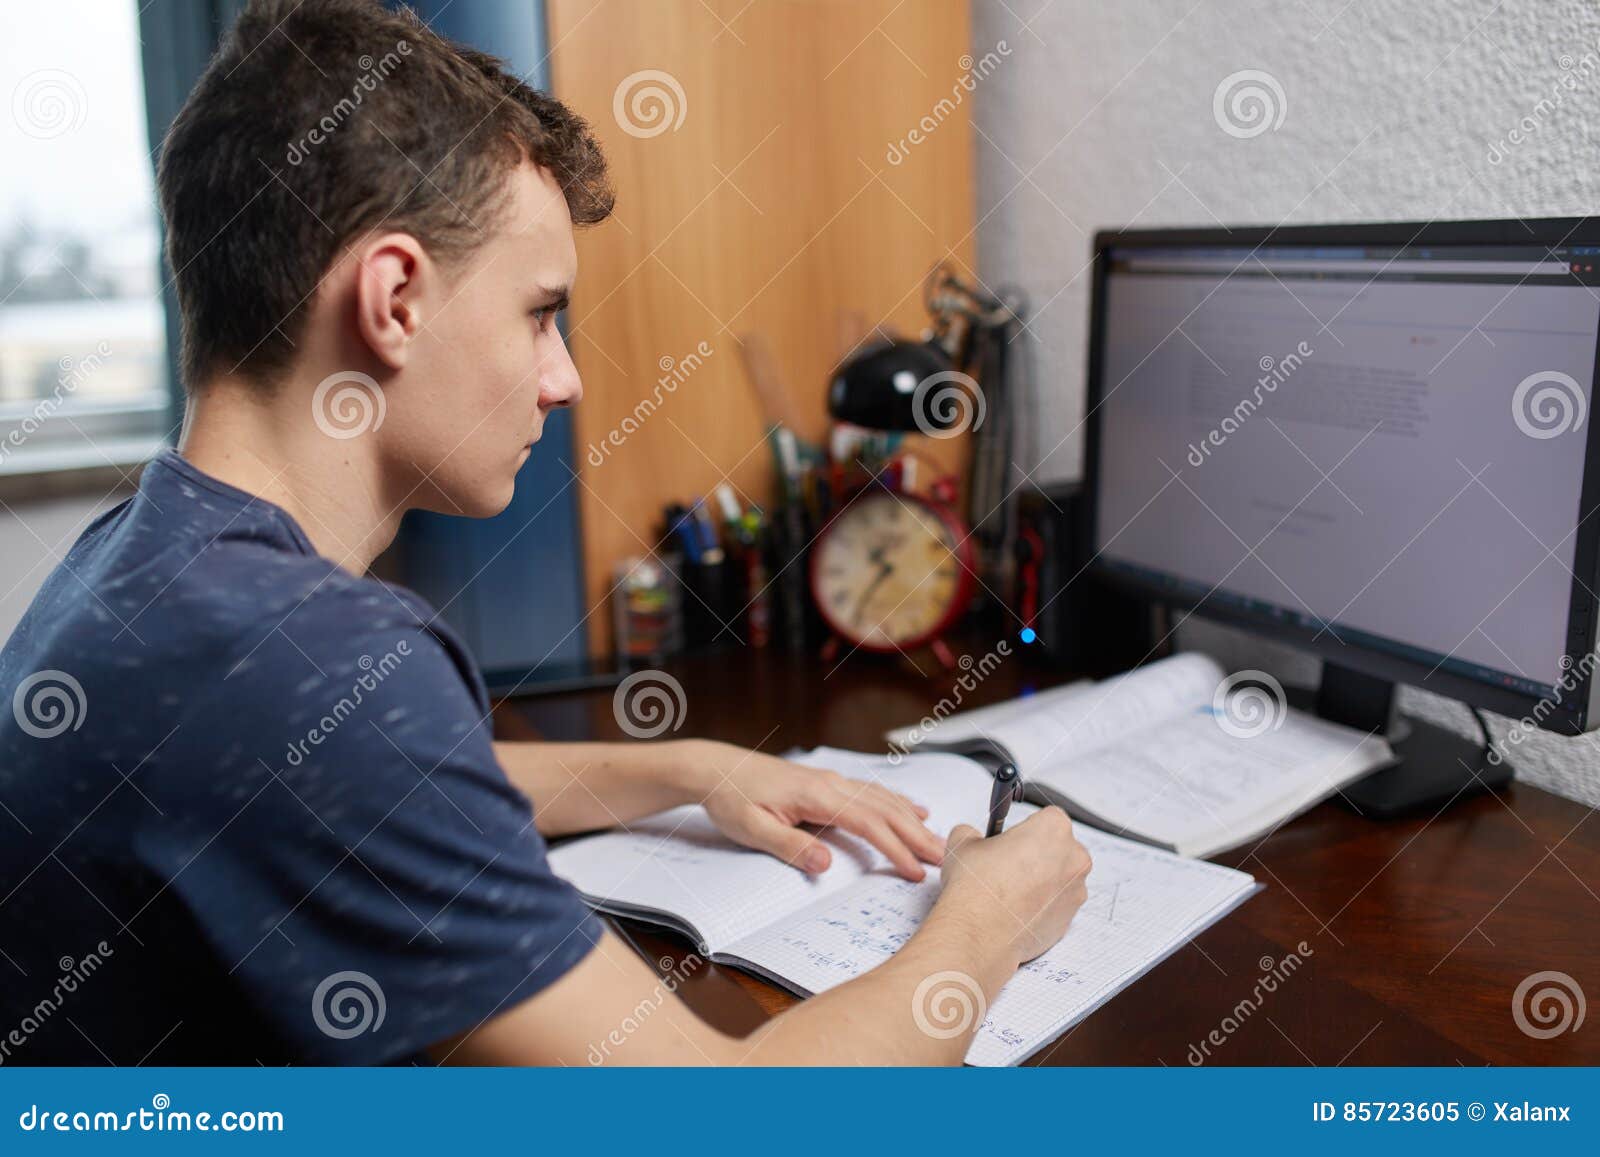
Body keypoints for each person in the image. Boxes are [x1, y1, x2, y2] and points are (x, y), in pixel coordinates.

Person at [0, 0, 1090, 1066]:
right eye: (539, 312)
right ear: (392, 298)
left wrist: (690, 769)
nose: (564, 378)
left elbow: (348, 780)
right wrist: (986, 922)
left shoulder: (139, 560)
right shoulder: (305, 656)